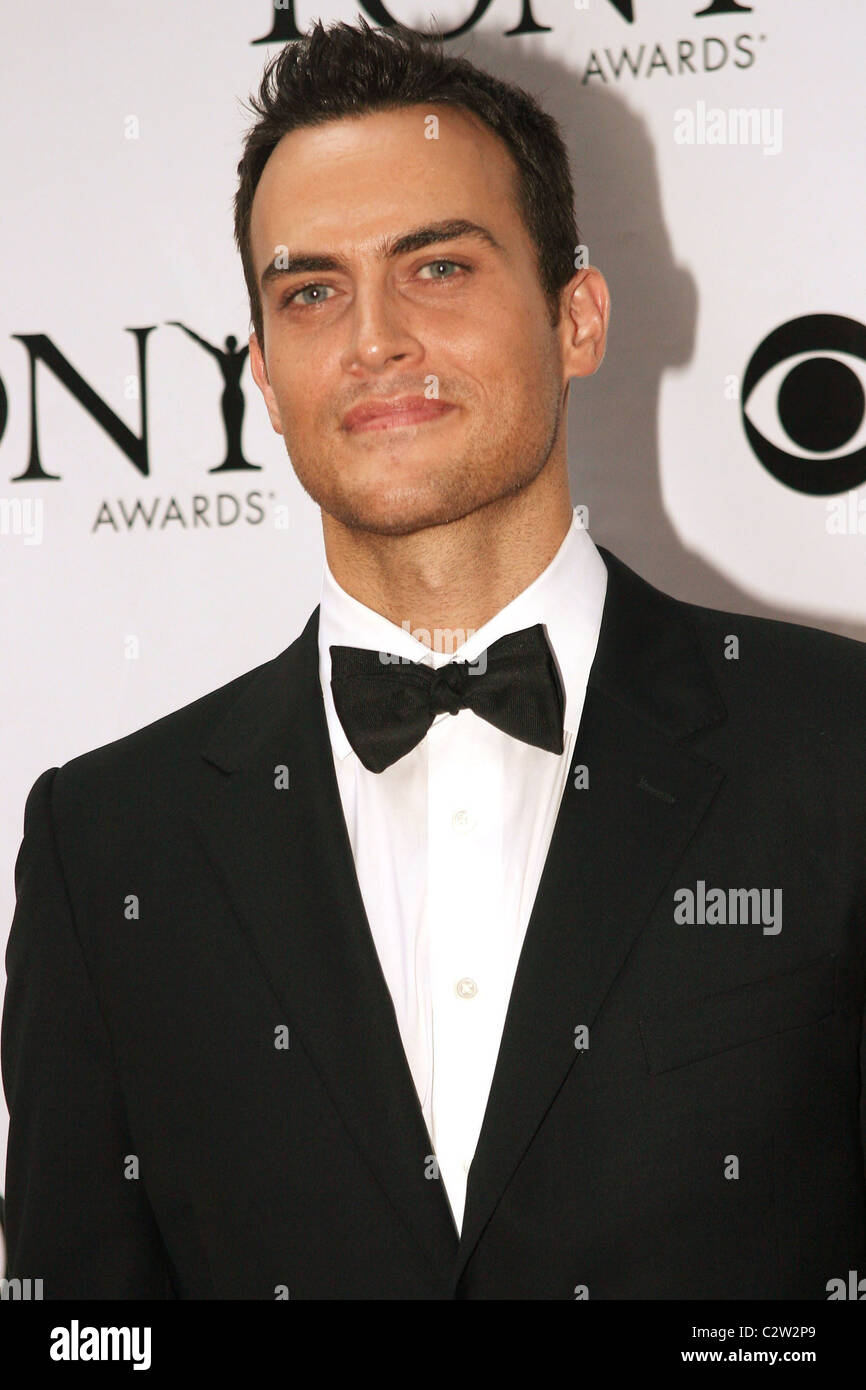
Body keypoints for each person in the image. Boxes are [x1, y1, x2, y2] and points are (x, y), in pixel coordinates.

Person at [3, 18, 865, 1300]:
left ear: (575, 315)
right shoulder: (110, 840)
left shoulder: (832, 747)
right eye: (310, 292)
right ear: (265, 379)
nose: (373, 339)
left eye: (438, 268)